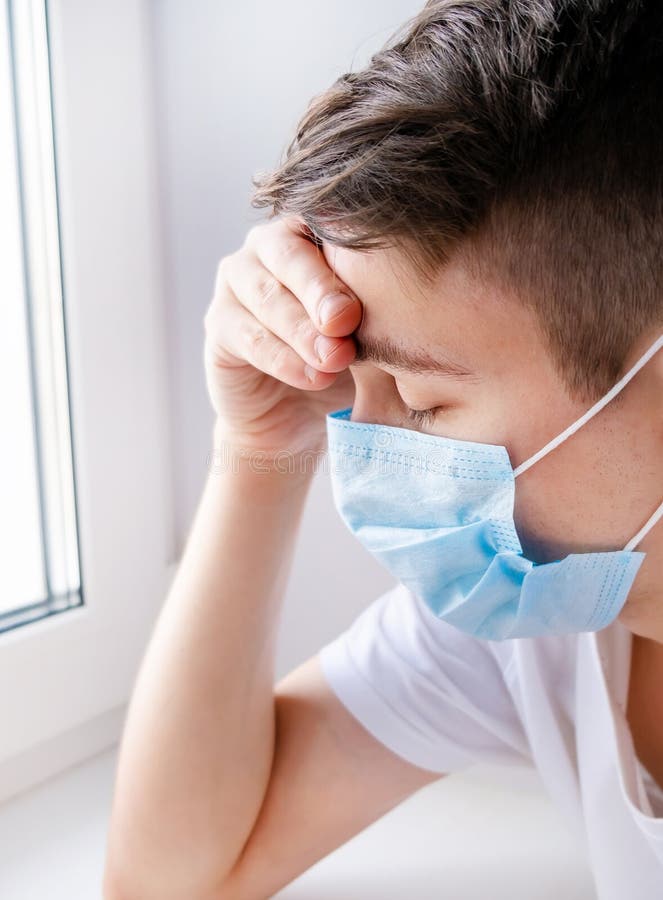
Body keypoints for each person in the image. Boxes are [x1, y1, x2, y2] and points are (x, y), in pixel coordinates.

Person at [103, 2, 663, 898]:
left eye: (418, 394)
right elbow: (176, 878)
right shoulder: (537, 613)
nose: (360, 439)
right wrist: (256, 448)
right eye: (353, 382)